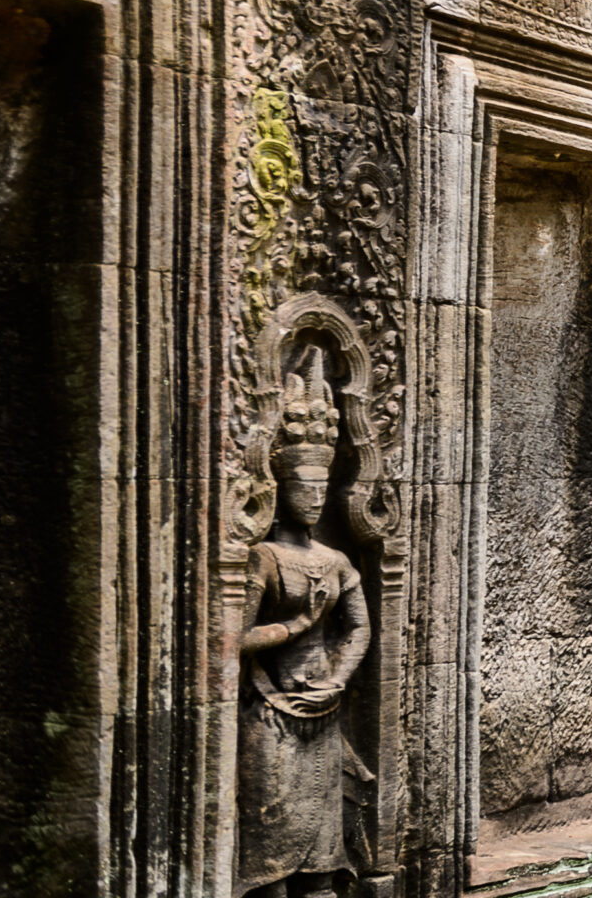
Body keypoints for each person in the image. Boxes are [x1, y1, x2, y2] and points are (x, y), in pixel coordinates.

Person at [239, 344, 371, 898]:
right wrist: (296, 625)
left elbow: (359, 627)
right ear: (280, 488)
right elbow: (233, 639)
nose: (315, 498)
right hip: (270, 713)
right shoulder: (265, 558)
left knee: (321, 860)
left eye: (321, 488)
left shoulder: (334, 560)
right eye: (303, 488)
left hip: (323, 712)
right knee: (269, 860)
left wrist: (338, 678)